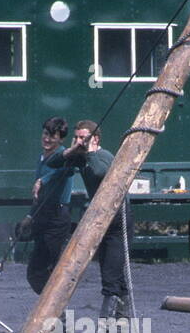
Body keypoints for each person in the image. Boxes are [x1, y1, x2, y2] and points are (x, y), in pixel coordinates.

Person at [47, 119, 131, 318]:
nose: (78, 141)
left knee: (112, 265)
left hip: (118, 215)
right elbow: (52, 162)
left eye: (82, 138)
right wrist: (71, 151)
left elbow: (99, 172)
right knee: (109, 264)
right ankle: (123, 316)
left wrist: (90, 151)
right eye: (76, 137)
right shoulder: (81, 156)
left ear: (95, 139)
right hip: (102, 214)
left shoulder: (103, 156)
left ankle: (110, 317)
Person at [25, 116, 75, 295]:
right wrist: (30, 216)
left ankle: (56, 312)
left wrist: (43, 180)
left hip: (57, 216)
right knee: (34, 273)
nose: (47, 139)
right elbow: (38, 195)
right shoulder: (41, 156)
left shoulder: (64, 155)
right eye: (45, 134)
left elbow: (67, 170)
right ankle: (52, 310)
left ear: (60, 139)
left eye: (52, 136)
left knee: (50, 269)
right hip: (41, 214)